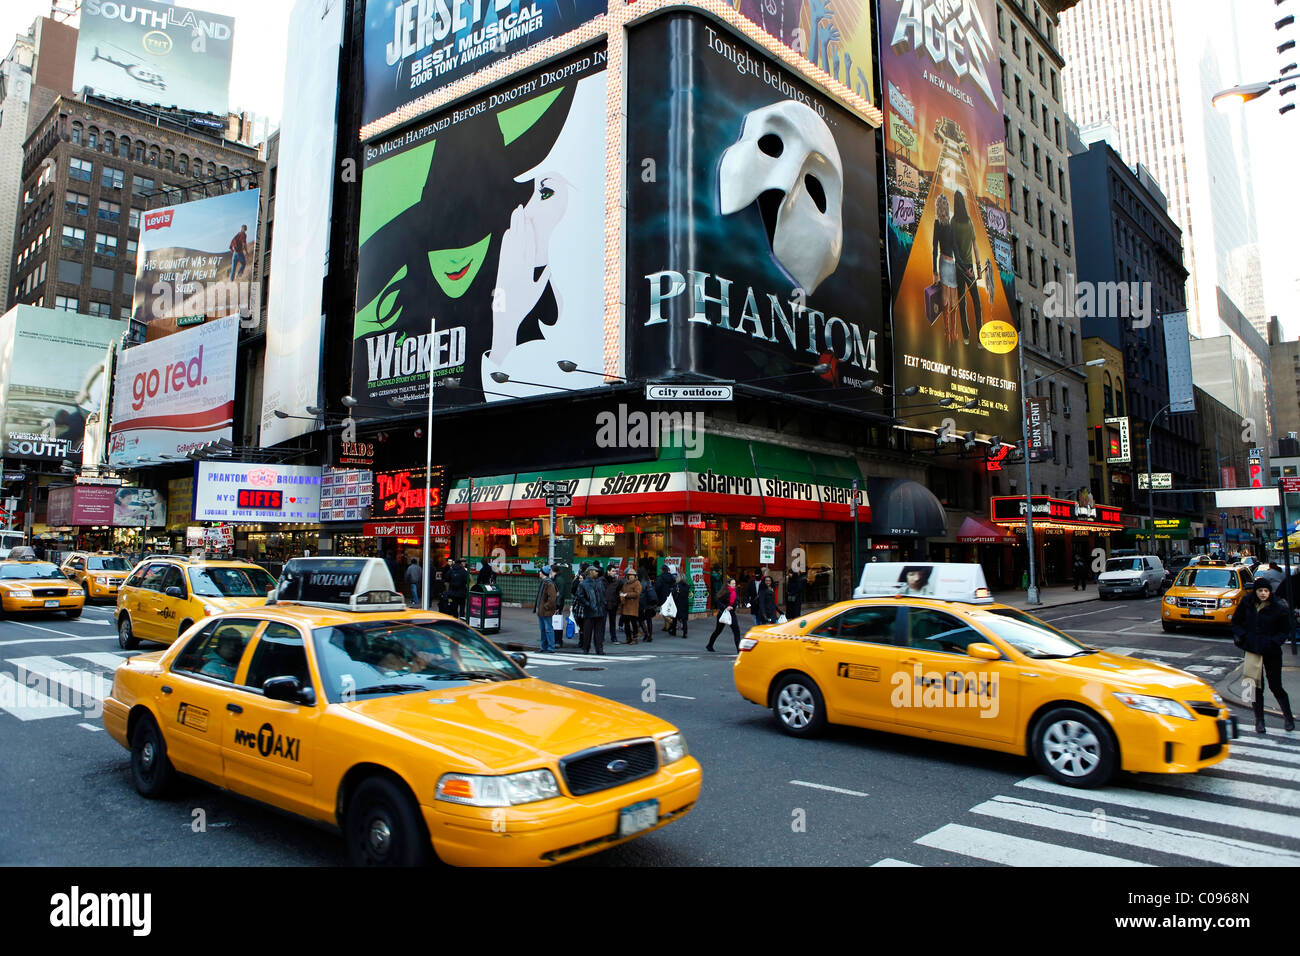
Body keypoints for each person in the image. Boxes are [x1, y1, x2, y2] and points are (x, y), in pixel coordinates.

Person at [1232, 577, 1296, 733]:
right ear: (1255, 591)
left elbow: (1285, 629)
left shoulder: (1278, 607)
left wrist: (1275, 642)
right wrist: (1243, 637)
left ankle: (1288, 717)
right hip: (1253, 650)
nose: (1262, 593)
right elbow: (1236, 622)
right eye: (1260, 590)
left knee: (1276, 686)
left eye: (1266, 591)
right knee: (1254, 687)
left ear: (1269, 592)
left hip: (1271, 652)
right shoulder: (1247, 603)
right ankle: (1259, 721)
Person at [951, 190, 982, 346]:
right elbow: (975, 246)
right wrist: (978, 266)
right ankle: (980, 339)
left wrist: (963, 267)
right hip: (969, 266)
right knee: (976, 302)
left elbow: (954, 247)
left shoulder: (953, 222)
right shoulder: (969, 222)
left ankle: (967, 337)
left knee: (962, 301)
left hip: (960, 267)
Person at [931, 192, 959, 346]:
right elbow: (955, 247)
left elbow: (934, 248)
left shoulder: (938, 223)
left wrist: (934, 271)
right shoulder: (950, 224)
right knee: (953, 299)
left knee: (946, 299)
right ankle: (953, 332)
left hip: (943, 261)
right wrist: (960, 264)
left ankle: (947, 331)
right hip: (951, 262)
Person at [576, 566, 607, 655]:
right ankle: (586, 648)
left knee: (599, 632)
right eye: (595, 571)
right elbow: (580, 597)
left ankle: (599, 649)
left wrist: (604, 603)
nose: (597, 573)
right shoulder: (583, 584)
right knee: (587, 632)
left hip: (600, 610)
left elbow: (603, 594)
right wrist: (588, 604)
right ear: (590, 572)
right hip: (589, 611)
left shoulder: (599, 583)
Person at [706, 578, 742, 652]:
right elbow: (716, 600)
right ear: (728, 584)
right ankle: (709, 645)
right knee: (718, 630)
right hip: (723, 613)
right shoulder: (724, 592)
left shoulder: (735, 591)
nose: (734, 585)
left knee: (736, 631)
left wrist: (736, 603)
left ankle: (738, 649)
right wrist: (725, 607)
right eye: (732, 584)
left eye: (735, 583)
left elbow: (736, 599)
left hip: (732, 614)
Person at [534, 565, 559, 652]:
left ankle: (550, 647)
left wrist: (546, 607)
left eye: (540, 571)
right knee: (544, 629)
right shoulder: (546, 582)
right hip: (543, 610)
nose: (539, 573)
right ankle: (544, 647)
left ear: (543, 573)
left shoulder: (548, 583)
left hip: (545, 610)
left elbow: (552, 598)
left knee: (547, 629)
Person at [619, 571, 642, 644]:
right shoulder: (625, 583)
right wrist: (621, 594)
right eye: (630, 575)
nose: (631, 576)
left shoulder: (637, 583)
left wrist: (626, 594)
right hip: (625, 606)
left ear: (635, 576)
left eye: (633, 575)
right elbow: (622, 590)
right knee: (626, 623)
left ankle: (635, 639)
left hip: (633, 606)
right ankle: (628, 638)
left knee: (634, 623)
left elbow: (637, 593)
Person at [655, 564, 677, 634]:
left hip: (662, 595)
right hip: (670, 595)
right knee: (667, 610)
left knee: (663, 610)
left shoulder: (660, 577)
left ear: (661, 570)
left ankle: (670, 621)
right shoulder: (672, 577)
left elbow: (657, 587)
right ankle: (666, 627)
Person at [603, 565, 622, 643]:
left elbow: (618, 592)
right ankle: (601, 637)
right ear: (608, 571)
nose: (615, 573)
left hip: (613, 604)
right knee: (602, 622)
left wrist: (617, 602)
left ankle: (613, 637)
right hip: (603, 604)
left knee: (613, 622)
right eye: (613, 571)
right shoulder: (601, 580)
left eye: (615, 571)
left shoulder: (617, 582)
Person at [638, 571, 658, 643]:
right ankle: (650, 635)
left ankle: (646, 633)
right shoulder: (649, 581)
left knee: (641, 619)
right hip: (650, 603)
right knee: (649, 620)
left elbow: (641, 593)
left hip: (644, 603)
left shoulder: (642, 582)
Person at [672, 572, 690, 639]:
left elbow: (673, 594)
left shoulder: (677, 585)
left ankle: (673, 631)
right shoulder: (687, 586)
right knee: (684, 619)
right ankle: (685, 633)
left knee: (675, 618)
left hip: (677, 603)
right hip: (685, 603)